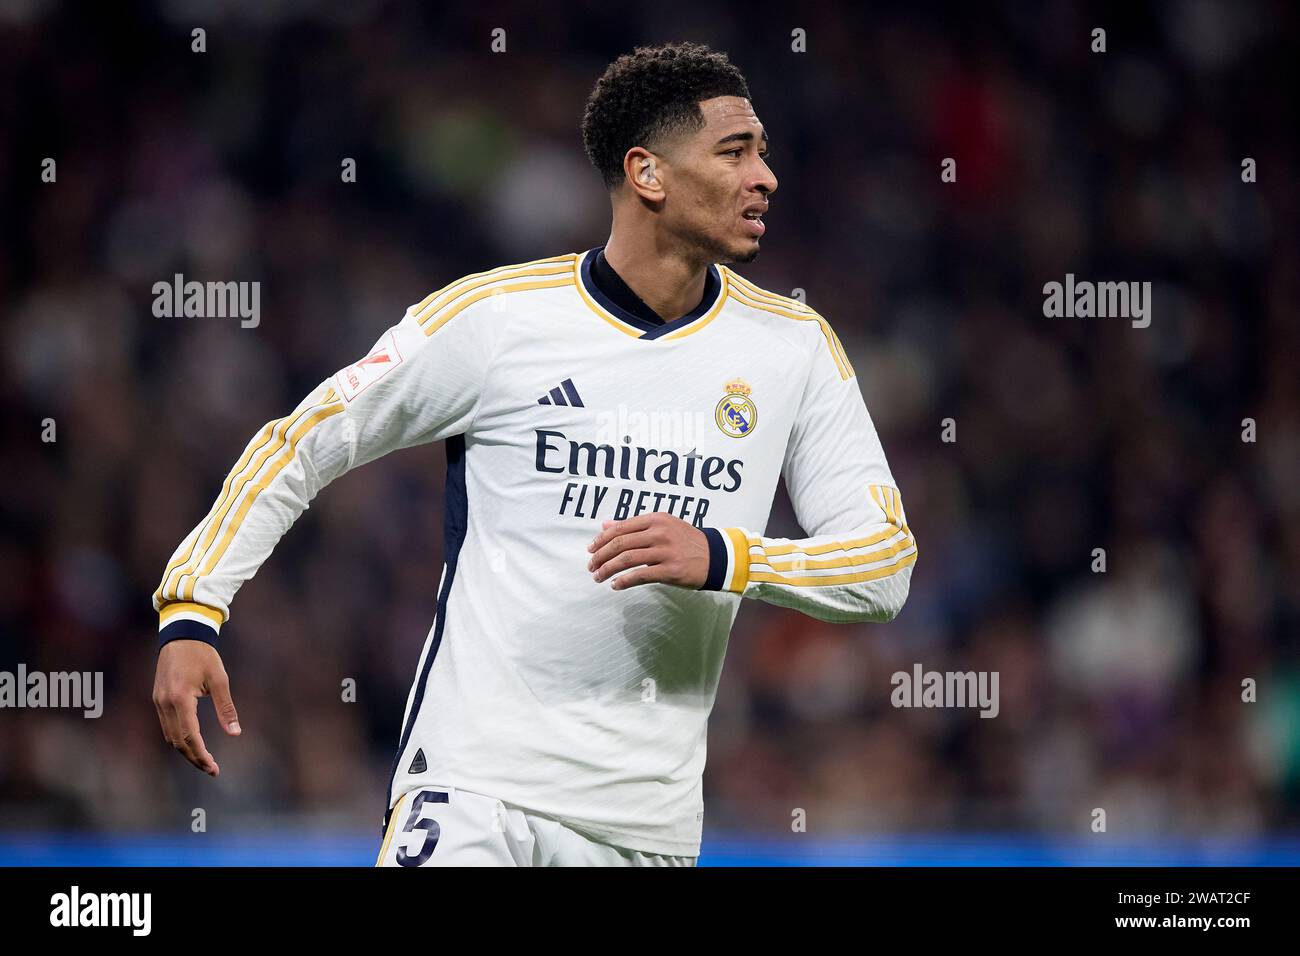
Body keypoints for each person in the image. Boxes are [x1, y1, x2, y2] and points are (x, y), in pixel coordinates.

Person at [151, 41, 916, 867]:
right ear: (648, 174)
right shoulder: (498, 319)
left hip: (643, 830)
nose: (765, 176)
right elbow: (304, 441)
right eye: (735, 152)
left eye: (762, 152)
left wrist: (728, 556)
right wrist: (194, 606)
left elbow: (883, 566)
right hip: (476, 792)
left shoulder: (792, 349)